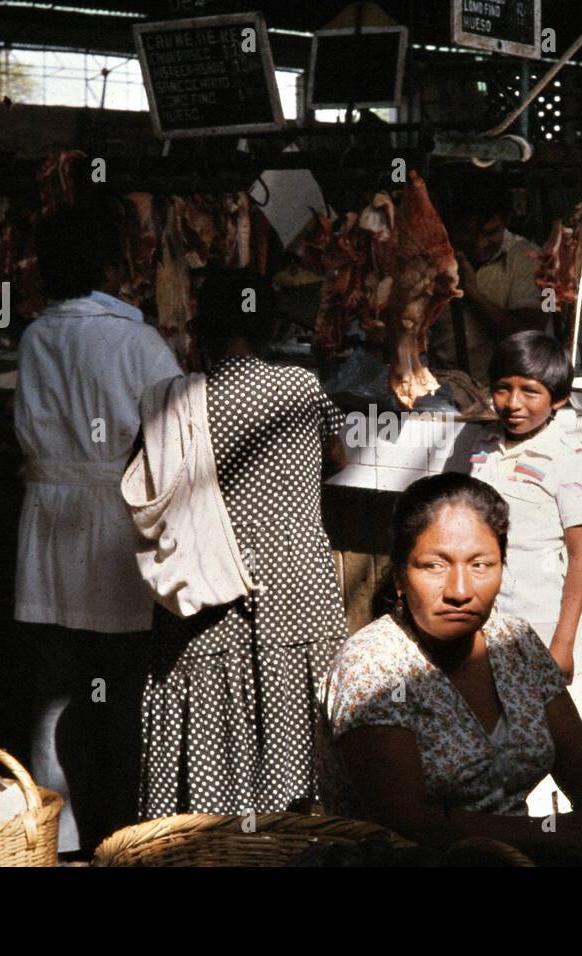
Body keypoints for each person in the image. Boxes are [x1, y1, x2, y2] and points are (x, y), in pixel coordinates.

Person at [317, 473, 582, 864]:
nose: (459, 590)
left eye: (481, 564)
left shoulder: (515, 643)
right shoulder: (373, 667)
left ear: (502, 565)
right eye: (434, 566)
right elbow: (407, 822)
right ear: (401, 575)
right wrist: (553, 833)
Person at [139, 269, 349, 818]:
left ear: (199, 331)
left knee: (213, 713)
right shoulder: (302, 388)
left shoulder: (169, 401)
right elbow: (337, 458)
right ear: (272, 327)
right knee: (297, 717)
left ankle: (219, 841)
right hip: (295, 585)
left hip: (206, 587)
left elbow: (143, 484)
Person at [13, 205, 182, 857]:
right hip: (117, 523)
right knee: (125, 695)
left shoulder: (34, 337)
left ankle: (56, 841)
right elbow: (178, 427)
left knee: (56, 695)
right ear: (111, 268)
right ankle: (128, 837)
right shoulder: (135, 340)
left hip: (49, 525)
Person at [463, 331, 582, 682]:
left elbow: (581, 555)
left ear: (559, 399)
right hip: (480, 612)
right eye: (503, 388)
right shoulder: (484, 442)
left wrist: (563, 643)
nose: (512, 403)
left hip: (534, 619)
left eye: (530, 391)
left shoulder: (567, 457)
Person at [426, 172, 543, 385]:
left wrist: (473, 294)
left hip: (506, 394)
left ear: (506, 221)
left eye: (491, 233)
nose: (480, 244)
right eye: (467, 233)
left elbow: (529, 337)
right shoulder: (431, 257)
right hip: (439, 391)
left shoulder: (527, 258)